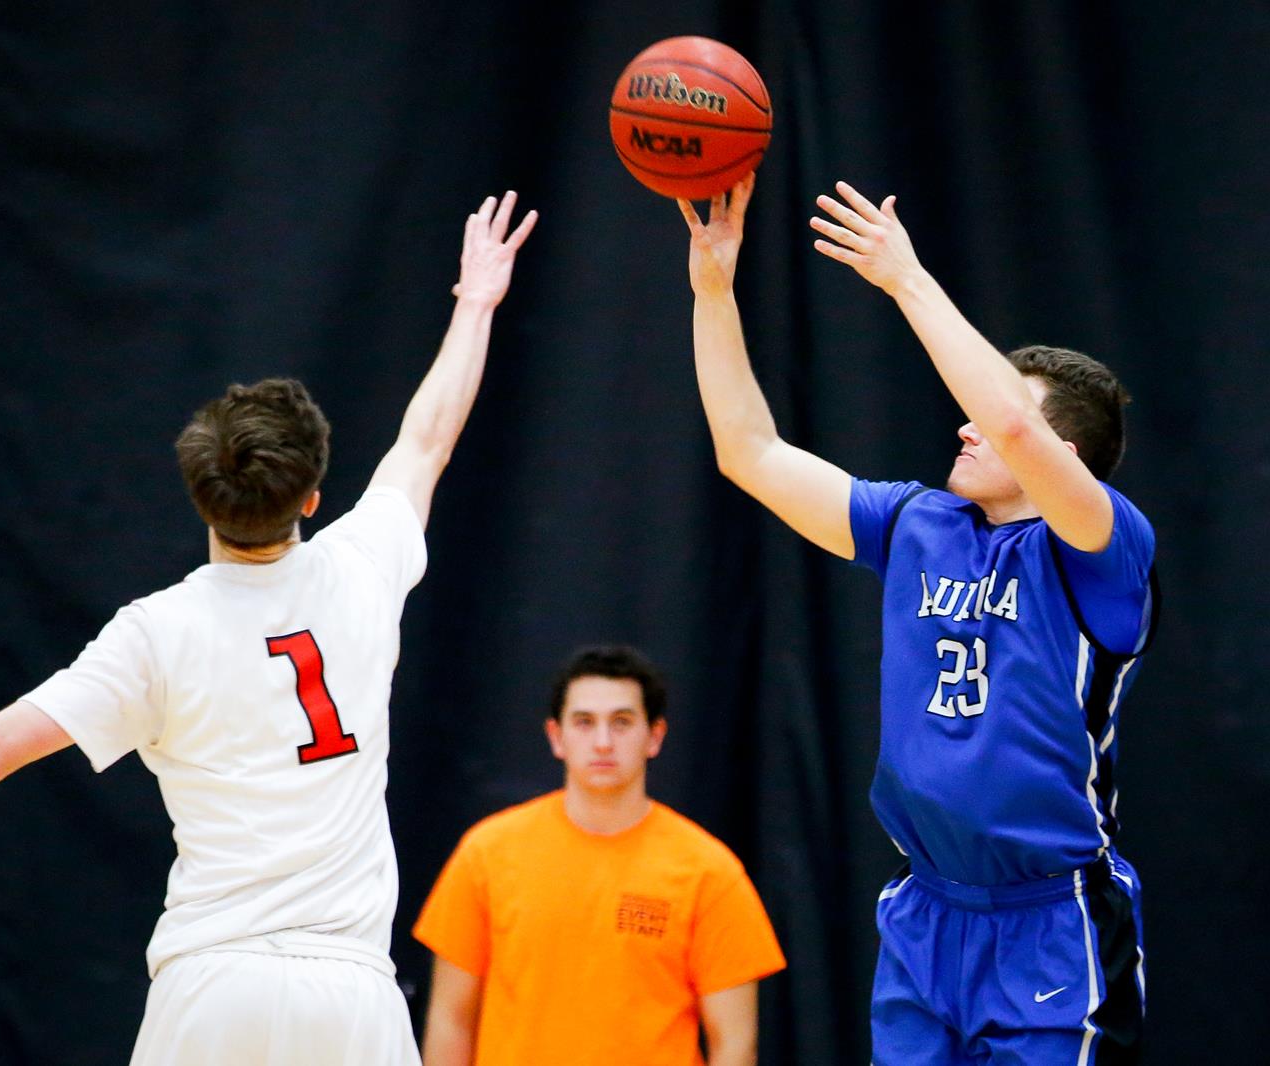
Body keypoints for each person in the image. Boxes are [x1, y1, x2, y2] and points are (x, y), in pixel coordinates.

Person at [0, 190, 538, 1065]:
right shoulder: (361, 566)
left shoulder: (156, 633)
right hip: (351, 995)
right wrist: (476, 301)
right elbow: (427, 437)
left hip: (212, 991)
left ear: (198, 497)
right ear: (313, 499)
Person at [678, 173, 1157, 1065]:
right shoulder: (915, 524)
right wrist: (713, 290)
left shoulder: (1101, 544)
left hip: (1051, 917)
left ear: (1072, 456)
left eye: (988, 410)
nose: (968, 428)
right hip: (925, 911)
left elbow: (1014, 427)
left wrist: (906, 278)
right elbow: (748, 451)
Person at [413, 645, 786, 1066]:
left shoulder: (710, 873)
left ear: (655, 736)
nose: (603, 742)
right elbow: (450, 1020)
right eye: (585, 722)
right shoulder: (486, 853)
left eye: (622, 722)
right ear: (557, 736)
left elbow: (734, 1043)